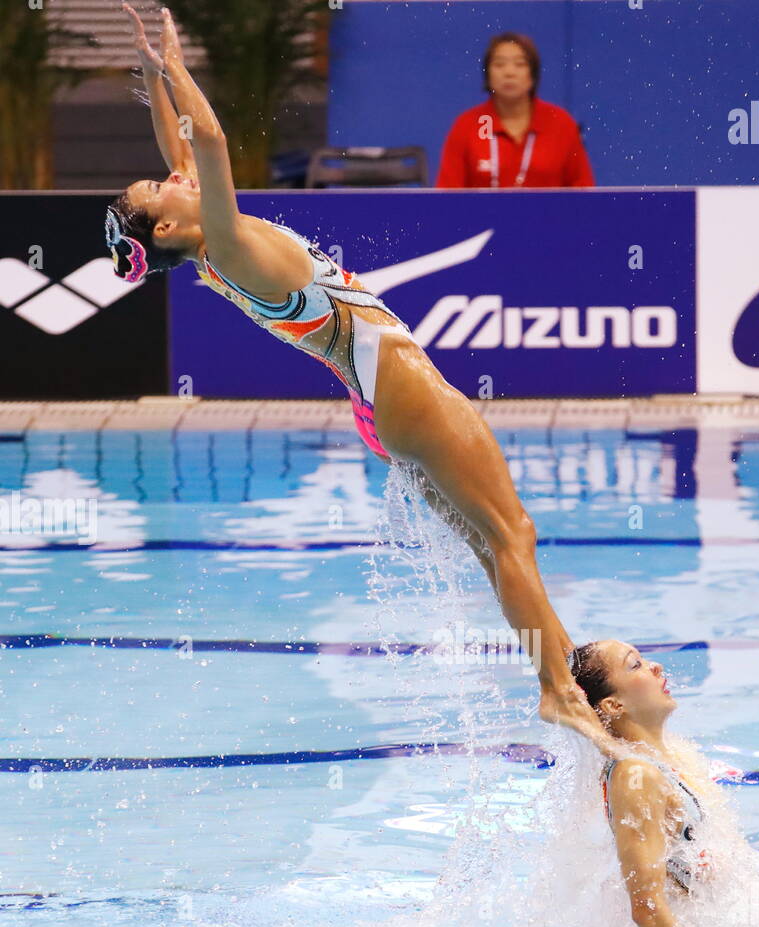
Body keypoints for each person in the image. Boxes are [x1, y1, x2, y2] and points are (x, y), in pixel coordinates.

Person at [108, 4, 607, 746]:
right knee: (513, 533)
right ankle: (557, 690)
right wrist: (179, 65)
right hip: (394, 382)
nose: (169, 177)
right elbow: (205, 139)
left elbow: (180, 149)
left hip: (374, 398)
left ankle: (567, 675)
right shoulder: (235, 244)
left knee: (488, 543)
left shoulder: (209, 254)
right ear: (172, 226)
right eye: (158, 189)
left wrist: (152, 75)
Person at [569, 640, 734, 927]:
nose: (656, 666)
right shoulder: (637, 776)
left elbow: (568, 679)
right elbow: (646, 905)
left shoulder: (667, 755)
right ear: (614, 705)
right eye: (636, 664)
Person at [435, 33, 594, 189]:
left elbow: (583, 191)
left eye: (520, 64)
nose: (509, 73)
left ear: (533, 75)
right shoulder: (466, 125)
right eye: (499, 64)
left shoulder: (561, 123)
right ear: (488, 75)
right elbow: (447, 195)